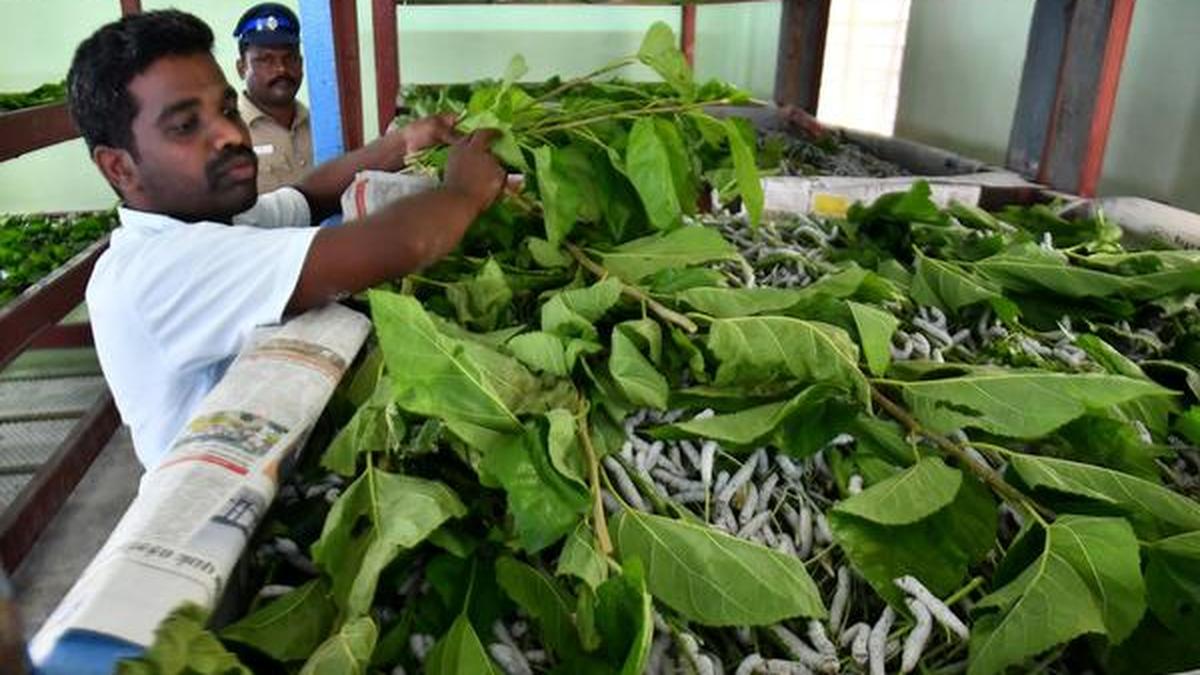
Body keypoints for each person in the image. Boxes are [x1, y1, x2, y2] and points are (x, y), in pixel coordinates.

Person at [67, 9, 505, 469]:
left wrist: (402, 143)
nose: (228, 134)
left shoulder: (219, 222)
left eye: (226, 109)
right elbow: (397, 244)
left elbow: (308, 195)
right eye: (185, 126)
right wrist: (464, 191)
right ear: (119, 167)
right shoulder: (158, 269)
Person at [232, 3, 312, 193]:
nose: (281, 69)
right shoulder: (230, 132)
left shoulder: (321, 126)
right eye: (265, 59)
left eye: (289, 58)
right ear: (242, 68)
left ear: (300, 64)